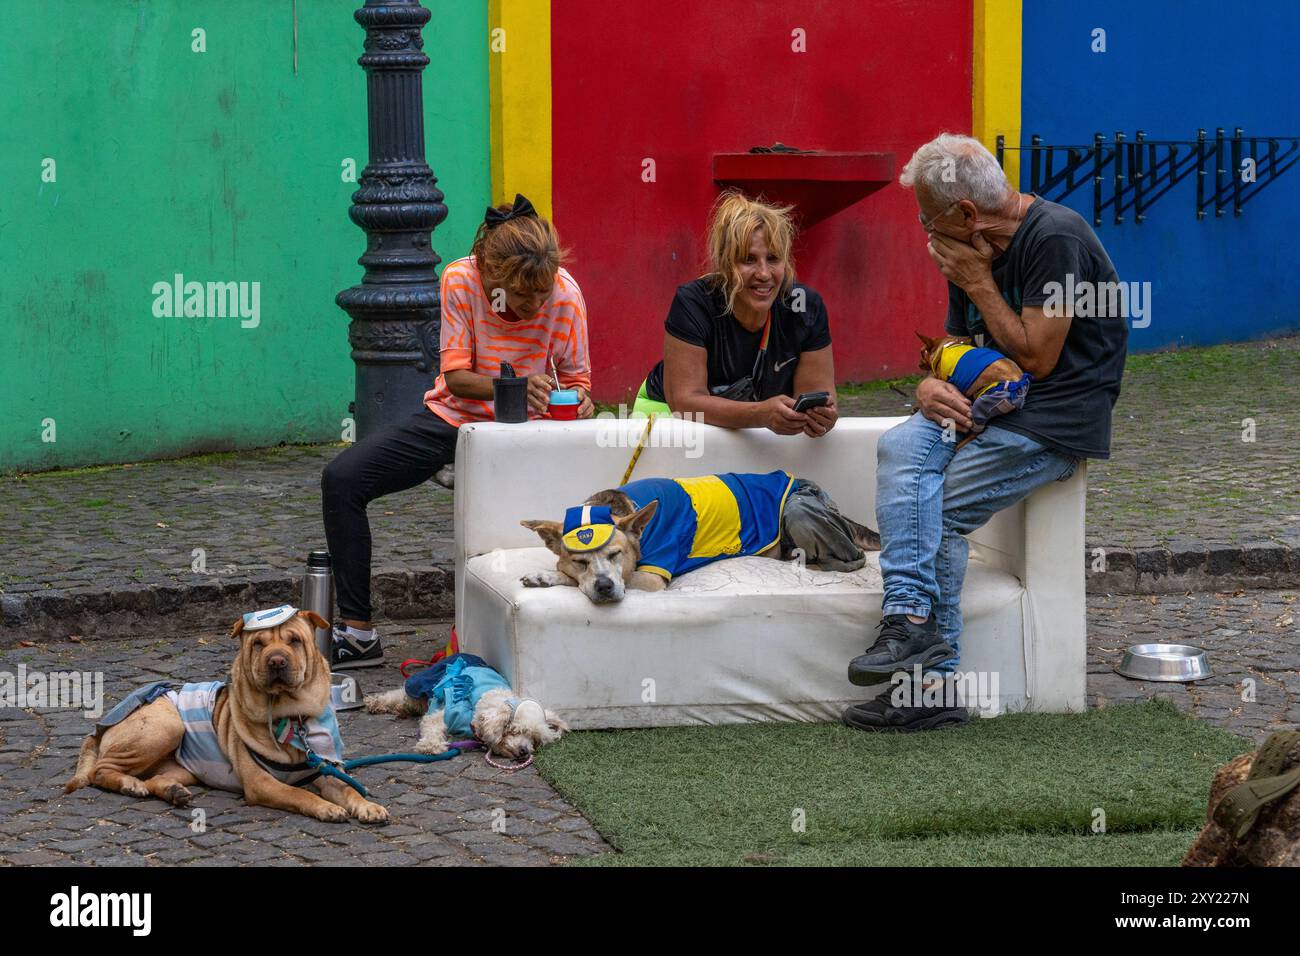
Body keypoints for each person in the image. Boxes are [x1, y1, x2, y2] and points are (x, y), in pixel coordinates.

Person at [842, 133, 1128, 732]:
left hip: (1055, 420)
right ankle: (911, 626)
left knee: (938, 508)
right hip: (991, 406)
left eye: (927, 218)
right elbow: (955, 348)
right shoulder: (969, 250)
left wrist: (978, 281)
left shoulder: (1055, 238)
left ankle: (930, 674)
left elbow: (1039, 357)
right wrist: (930, 383)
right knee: (899, 444)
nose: (924, 232)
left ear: (966, 214)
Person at [321, 194, 593, 668]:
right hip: (454, 418)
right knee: (342, 480)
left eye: (541, 292)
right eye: (522, 293)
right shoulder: (461, 279)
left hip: (529, 435)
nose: (533, 304)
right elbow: (457, 377)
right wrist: (512, 385)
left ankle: (554, 623)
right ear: (492, 273)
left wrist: (583, 400)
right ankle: (358, 632)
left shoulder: (565, 293)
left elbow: (577, 384)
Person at [635, 191, 839, 438]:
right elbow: (685, 403)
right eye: (748, 260)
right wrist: (760, 414)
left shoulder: (805, 305)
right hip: (667, 415)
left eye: (773, 259)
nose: (764, 273)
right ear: (725, 264)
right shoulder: (694, 302)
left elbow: (813, 397)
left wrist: (818, 418)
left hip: (756, 425)